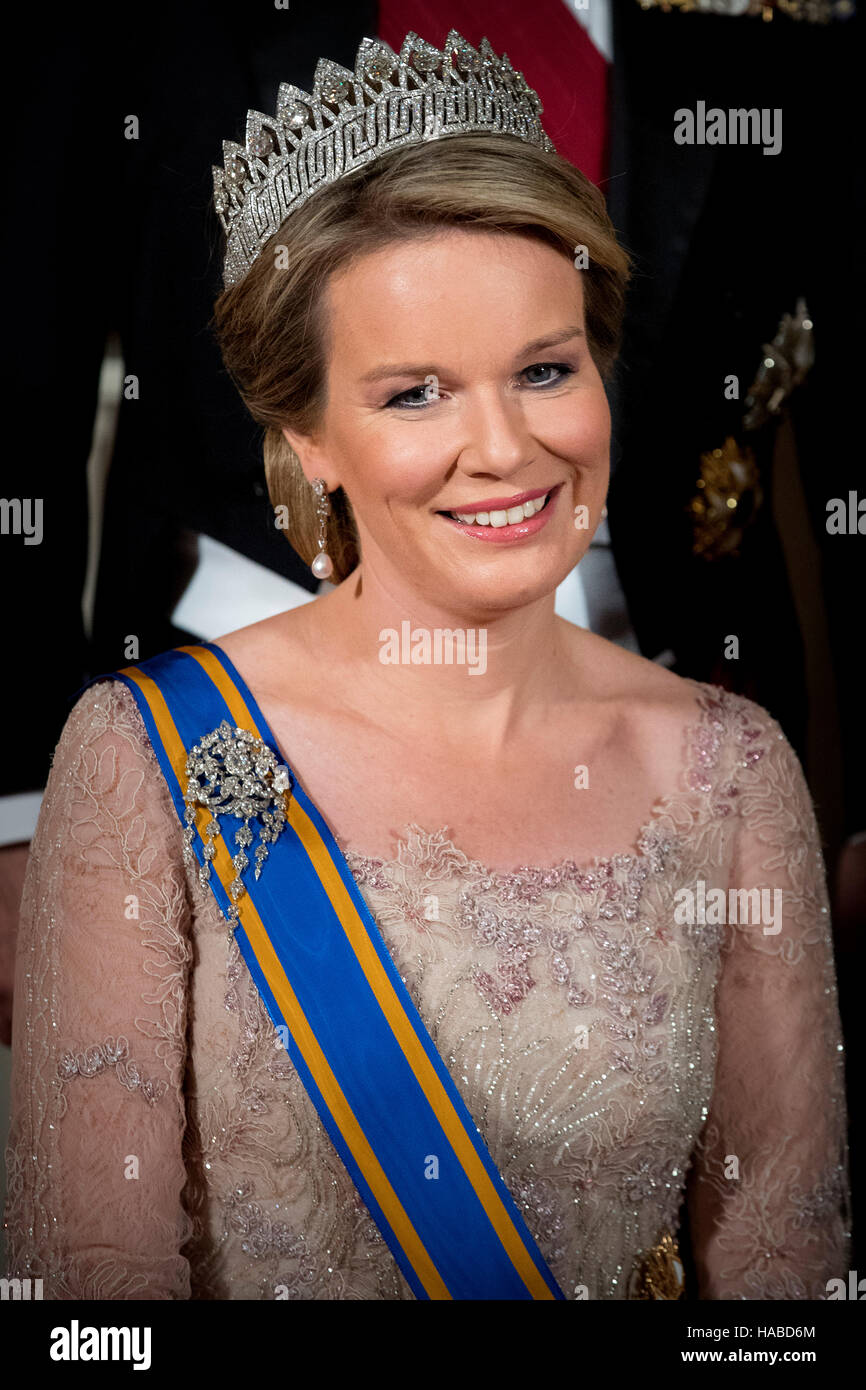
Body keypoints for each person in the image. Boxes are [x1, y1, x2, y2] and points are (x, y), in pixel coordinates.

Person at [3, 28, 850, 1300]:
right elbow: (84, 1313)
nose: (502, 448)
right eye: (414, 394)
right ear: (307, 435)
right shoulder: (139, 765)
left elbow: (781, 1291)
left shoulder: (732, 769)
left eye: (545, 370)